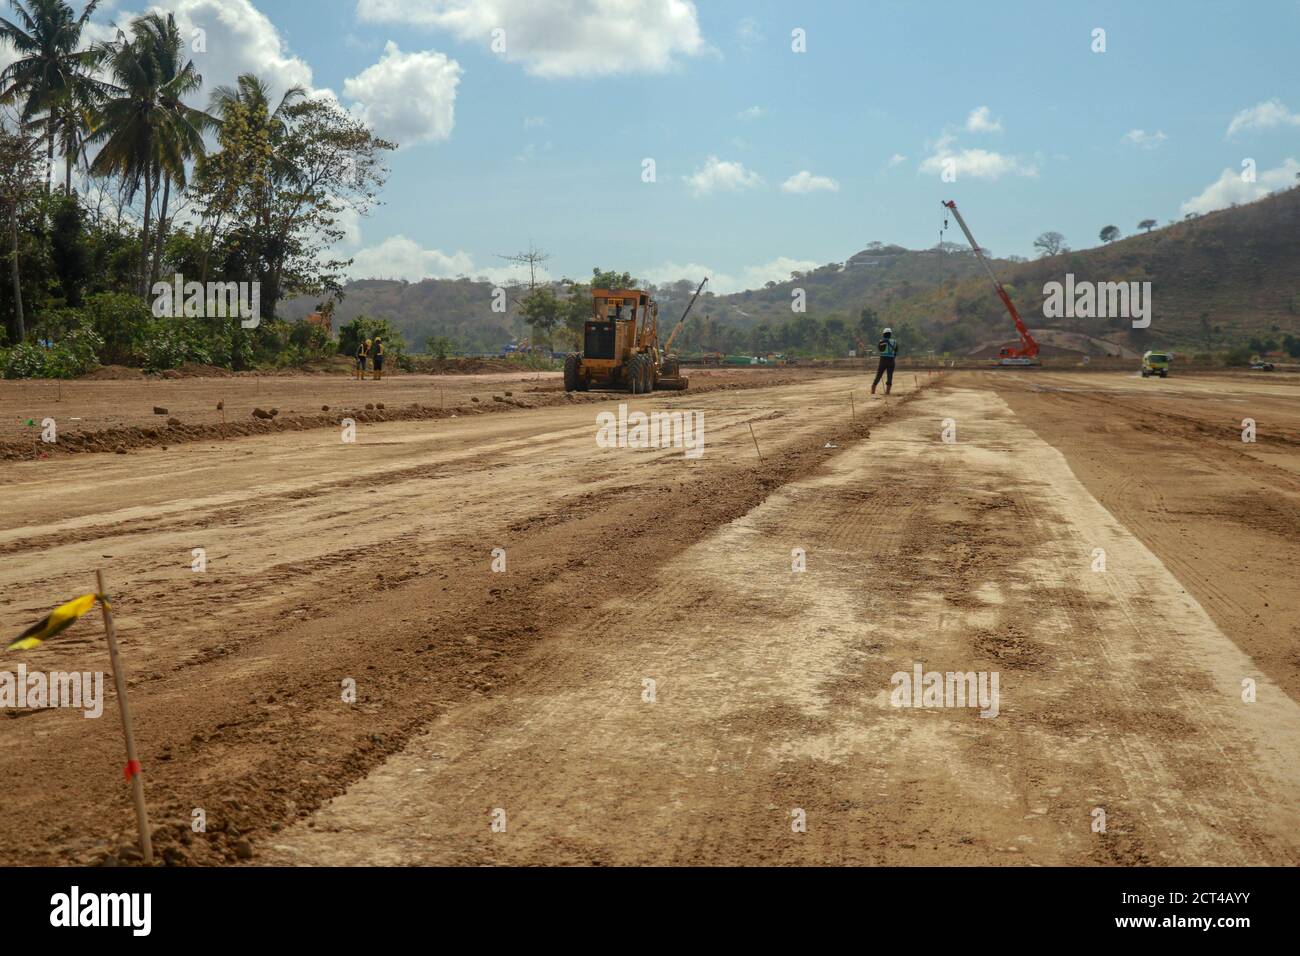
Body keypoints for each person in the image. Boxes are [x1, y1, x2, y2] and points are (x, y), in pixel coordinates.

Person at [872, 328, 898, 395]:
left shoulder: (881, 342)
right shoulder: (895, 342)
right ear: (890, 334)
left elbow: (880, 350)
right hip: (891, 361)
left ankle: (873, 391)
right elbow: (896, 351)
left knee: (878, 375)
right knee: (890, 376)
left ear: (884, 334)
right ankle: (887, 392)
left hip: (883, 360)